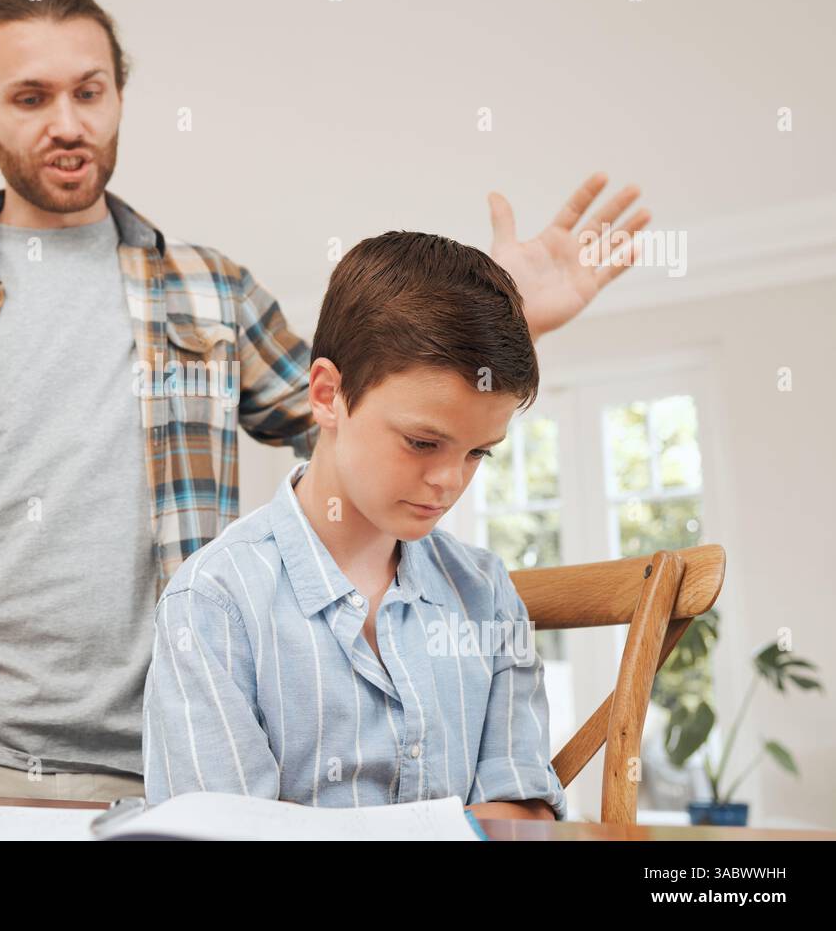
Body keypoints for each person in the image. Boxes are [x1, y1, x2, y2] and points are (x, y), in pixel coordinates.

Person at [0, 0, 647, 795]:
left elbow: (363, 422)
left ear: (118, 91)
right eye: (29, 98)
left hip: (166, 783)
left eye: (90, 90)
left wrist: (493, 323)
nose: (67, 121)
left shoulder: (211, 293)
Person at [142, 230, 567, 821]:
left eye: (478, 452)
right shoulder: (215, 604)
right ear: (327, 394)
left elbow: (525, 811)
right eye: (422, 442)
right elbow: (221, 834)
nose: (450, 480)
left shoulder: (486, 591)